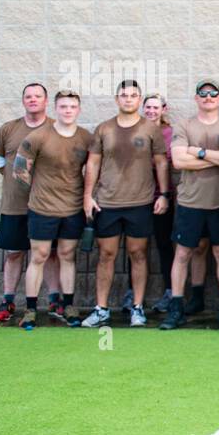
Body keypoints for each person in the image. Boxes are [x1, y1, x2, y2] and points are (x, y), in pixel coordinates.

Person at [80, 80, 170, 328]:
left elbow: (161, 163)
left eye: (133, 95)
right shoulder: (104, 129)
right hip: (107, 202)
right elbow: (93, 163)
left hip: (140, 203)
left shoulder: (150, 128)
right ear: (116, 99)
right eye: (124, 95)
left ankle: (137, 308)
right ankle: (101, 309)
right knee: (106, 255)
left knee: (138, 254)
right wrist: (88, 196)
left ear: (139, 99)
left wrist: (164, 194)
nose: (128, 99)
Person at [161, 82, 219, 330]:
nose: (208, 97)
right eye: (203, 94)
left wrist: (199, 153)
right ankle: (176, 307)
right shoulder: (185, 125)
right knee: (183, 253)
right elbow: (179, 161)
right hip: (190, 201)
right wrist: (216, 158)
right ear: (196, 98)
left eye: (213, 93)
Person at [13, 90, 93, 329]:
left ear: (78, 110)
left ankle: (68, 306)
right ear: (55, 109)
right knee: (39, 256)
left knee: (67, 255)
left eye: (72, 107)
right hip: (42, 208)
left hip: (72, 208)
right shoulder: (38, 136)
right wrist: (37, 191)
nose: (68, 111)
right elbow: (19, 170)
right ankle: (29, 310)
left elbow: (94, 170)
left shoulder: (87, 138)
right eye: (63, 107)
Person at [0, 82, 60, 323]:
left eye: (37, 96)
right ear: (23, 101)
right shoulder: (8, 130)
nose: (33, 100)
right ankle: (7, 300)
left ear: (45, 101)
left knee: (49, 253)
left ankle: (54, 300)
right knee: (14, 253)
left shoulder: (56, 128)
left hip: (48, 205)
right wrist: (17, 182)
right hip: (14, 205)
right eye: (28, 97)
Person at [141, 94, 179, 315]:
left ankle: (169, 291)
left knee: (164, 245)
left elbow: (170, 161)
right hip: (135, 197)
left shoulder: (169, 133)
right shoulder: (135, 130)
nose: (151, 111)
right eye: (148, 107)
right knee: (136, 248)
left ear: (164, 109)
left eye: (156, 107)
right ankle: (133, 295)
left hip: (161, 196)